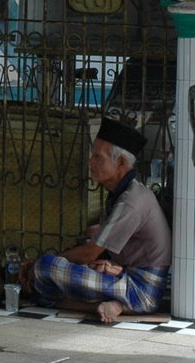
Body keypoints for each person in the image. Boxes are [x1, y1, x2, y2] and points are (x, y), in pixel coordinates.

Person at [21, 117, 172, 323]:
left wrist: (41, 262)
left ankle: (74, 302)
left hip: (141, 291)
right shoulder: (122, 194)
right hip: (126, 278)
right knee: (50, 270)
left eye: (98, 158)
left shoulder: (131, 200)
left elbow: (90, 252)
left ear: (121, 162)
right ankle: (112, 305)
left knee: (46, 267)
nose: (90, 163)